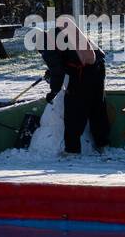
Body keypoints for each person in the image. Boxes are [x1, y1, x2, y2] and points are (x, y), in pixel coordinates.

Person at [40, 14, 110, 154]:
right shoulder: (57, 33)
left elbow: (58, 70)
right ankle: (102, 145)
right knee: (97, 106)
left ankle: (72, 150)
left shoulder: (45, 45)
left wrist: (53, 91)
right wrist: (53, 71)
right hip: (99, 65)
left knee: (74, 108)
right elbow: (63, 60)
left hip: (83, 71)